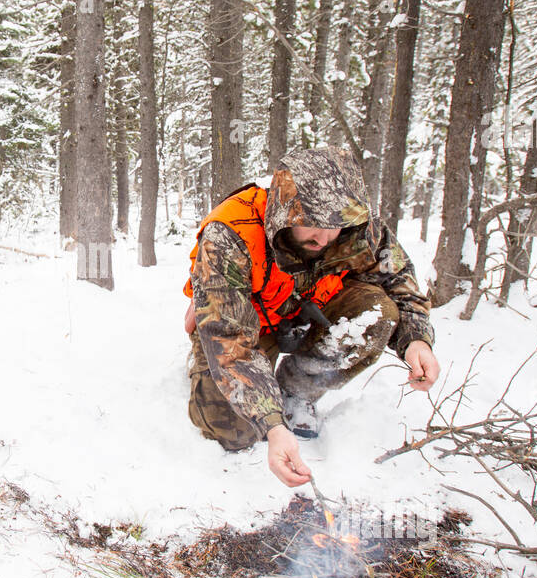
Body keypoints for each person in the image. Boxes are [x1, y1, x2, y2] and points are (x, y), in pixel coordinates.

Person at [183, 145, 441, 488]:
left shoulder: (355, 226)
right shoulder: (231, 233)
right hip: (246, 325)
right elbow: (230, 340)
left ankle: (296, 392)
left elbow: (398, 279)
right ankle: (216, 370)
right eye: (312, 226)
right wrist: (272, 425)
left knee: (377, 312)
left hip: (307, 311)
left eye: (334, 227)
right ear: (285, 211)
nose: (325, 238)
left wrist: (417, 340)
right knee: (233, 430)